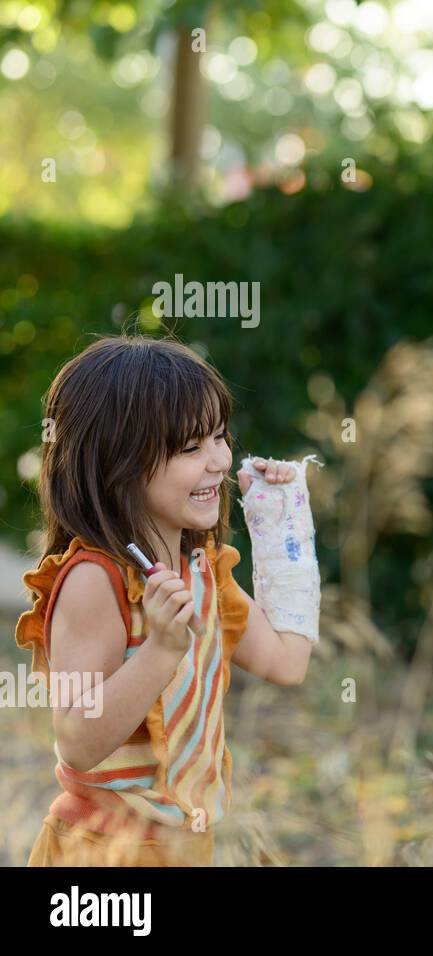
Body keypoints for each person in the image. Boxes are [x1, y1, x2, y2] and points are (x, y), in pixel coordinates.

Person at [14, 335, 321, 866]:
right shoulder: (95, 581)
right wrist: (160, 651)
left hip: (187, 851)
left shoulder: (204, 575)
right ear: (120, 461)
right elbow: (78, 743)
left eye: (221, 437)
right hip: (101, 856)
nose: (219, 461)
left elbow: (287, 662)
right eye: (190, 448)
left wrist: (284, 525)